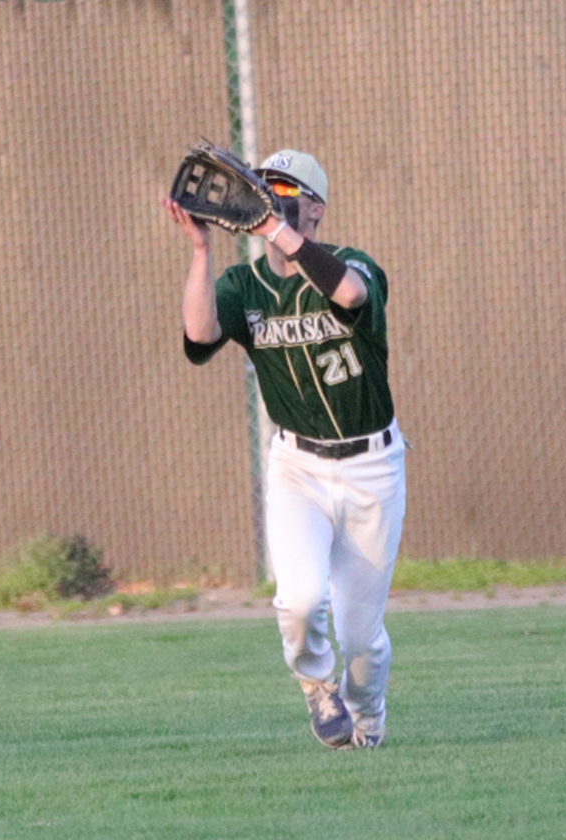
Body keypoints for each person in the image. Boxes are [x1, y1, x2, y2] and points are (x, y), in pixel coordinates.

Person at [162, 148, 406, 751]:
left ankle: (368, 716)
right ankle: (317, 689)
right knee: (298, 602)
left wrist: (277, 226)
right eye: (261, 187)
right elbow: (199, 337)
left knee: (361, 637)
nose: (266, 198)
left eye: (284, 190)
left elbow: (348, 296)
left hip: (373, 467)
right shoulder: (246, 285)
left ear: (316, 206)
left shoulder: (355, 265)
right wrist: (200, 252)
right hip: (298, 467)